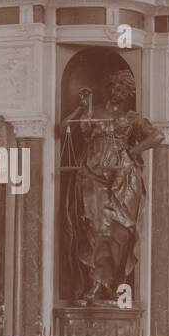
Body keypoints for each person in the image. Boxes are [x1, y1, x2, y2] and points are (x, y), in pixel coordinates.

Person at [61, 72, 163, 305]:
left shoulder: (132, 118)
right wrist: (82, 107)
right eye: (115, 87)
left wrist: (131, 152)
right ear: (109, 87)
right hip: (93, 174)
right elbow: (66, 128)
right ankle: (93, 285)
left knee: (122, 230)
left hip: (122, 178)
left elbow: (158, 136)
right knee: (96, 227)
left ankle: (109, 284)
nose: (117, 92)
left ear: (129, 94)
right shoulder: (93, 111)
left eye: (123, 90)